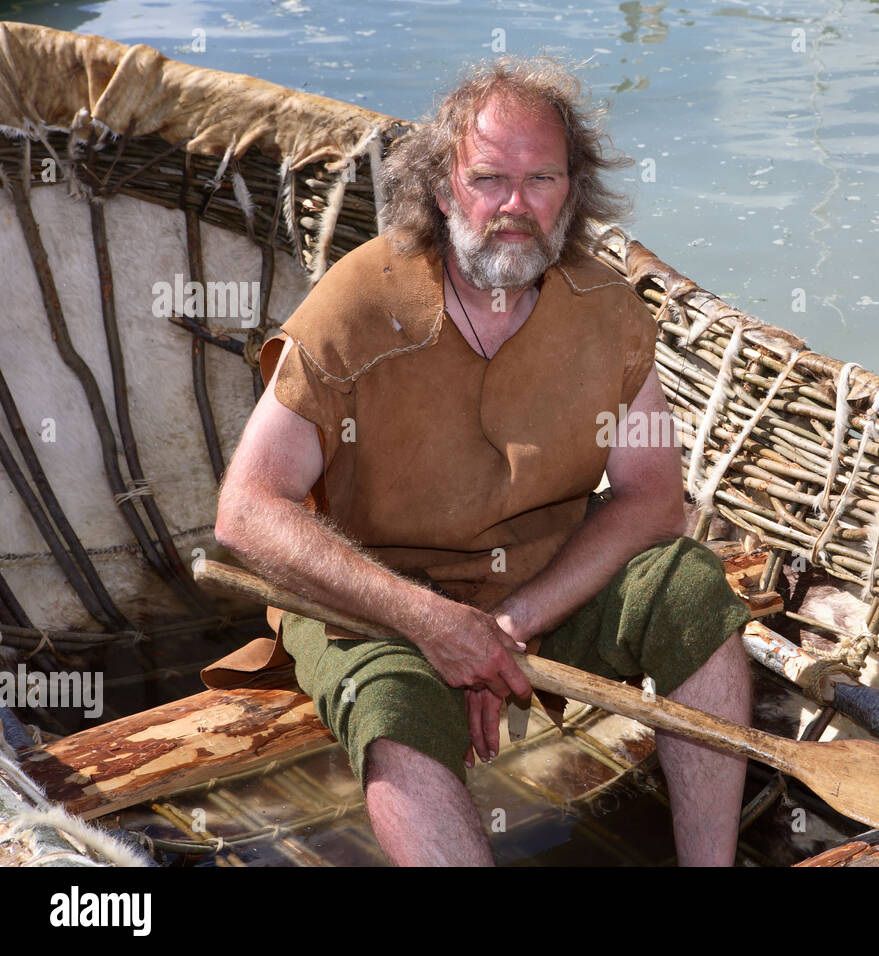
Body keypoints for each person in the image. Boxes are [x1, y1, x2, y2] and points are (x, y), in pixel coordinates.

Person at [210, 56, 753, 866]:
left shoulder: (609, 313)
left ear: (572, 191)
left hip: (541, 590)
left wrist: (509, 626)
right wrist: (431, 624)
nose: (514, 206)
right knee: (395, 707)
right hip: (376, 602)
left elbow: (650, 500)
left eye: (541, 180)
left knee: (690, 588)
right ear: (442, 189)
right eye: (488, 178)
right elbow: (247, 510)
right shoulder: (358, 305)